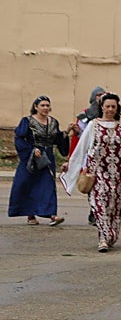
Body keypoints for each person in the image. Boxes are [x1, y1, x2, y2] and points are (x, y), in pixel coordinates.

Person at [62, 92, 121, 252]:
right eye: (107, 106)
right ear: (102, 107)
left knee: (114, 206)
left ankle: (111, 235)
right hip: (96, 173)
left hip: (116, 174)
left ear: (117, 108)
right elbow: (82, 148)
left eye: (113, 106)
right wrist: (71, 165)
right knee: (99, 204)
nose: (110, 109)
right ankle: (103, 238)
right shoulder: (93, 125)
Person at [9, 96, 66, 226]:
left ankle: (52, 214)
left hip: (47, 158)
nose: (46, 108)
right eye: (42, 105)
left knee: (47, 184)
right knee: (28, 184)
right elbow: (19, 138)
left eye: (47, 105)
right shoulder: (27, 121)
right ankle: (31, 215)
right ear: (36, 107)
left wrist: (65, 133)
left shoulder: (53, 122)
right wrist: (31, 150)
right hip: (32, 157)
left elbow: (56, 139)